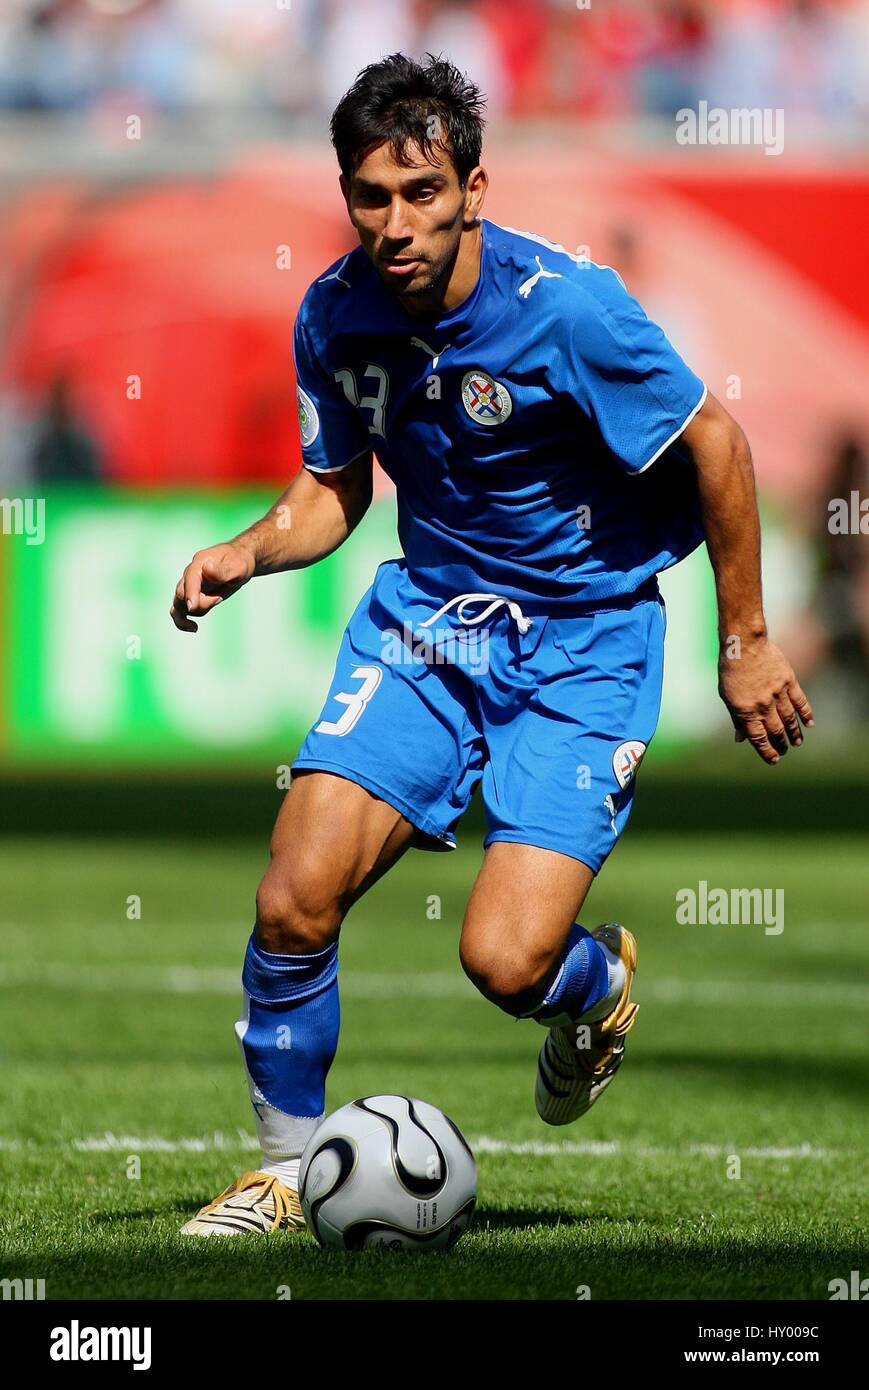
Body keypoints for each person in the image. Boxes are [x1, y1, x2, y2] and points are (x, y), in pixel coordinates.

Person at [170, 53, 813, 1236]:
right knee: (290, 899)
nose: (395, 224)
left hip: (583, 645)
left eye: (421, 194)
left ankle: (595, 982)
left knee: (504, 963)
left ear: (473, 186)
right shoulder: (332, 312)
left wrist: (746, 642)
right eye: (371, 196)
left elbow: (714, 445)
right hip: (428, 625)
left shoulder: (566, 309)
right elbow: (332, 494)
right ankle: (281, 1163)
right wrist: (248, 551)